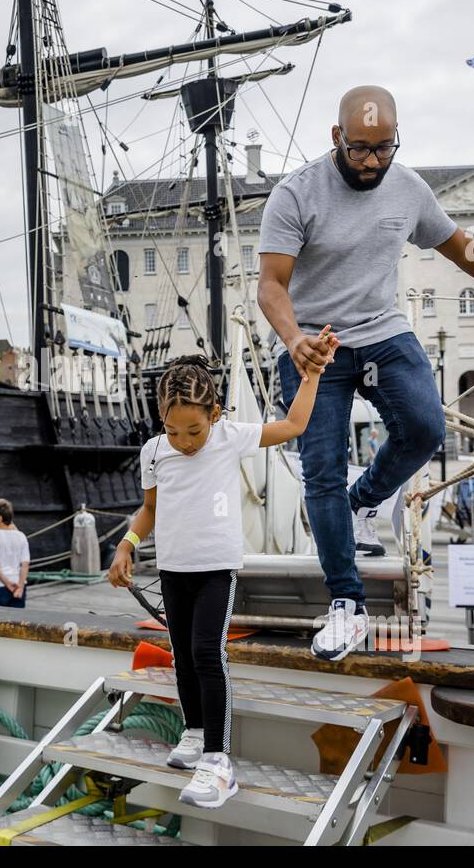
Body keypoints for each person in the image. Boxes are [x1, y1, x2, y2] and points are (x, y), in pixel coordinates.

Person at [256, 84, 474, 660]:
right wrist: (294, 339)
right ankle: (346, 605)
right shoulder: (295, 194)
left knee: (427, 429)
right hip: (313, 343)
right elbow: (271, 284)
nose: (373, 162)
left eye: (384, 149)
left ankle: (366, 502)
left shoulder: (407, 189)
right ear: (337, 138)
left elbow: (466, 252)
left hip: (382, 331)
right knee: (321, 468)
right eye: (360, 150)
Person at [108, 340, 334, 808]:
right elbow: (149, 509)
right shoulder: (155, 451)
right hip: (173, 567)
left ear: (214, 414)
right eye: (173, 432)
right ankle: (193, 732)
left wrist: (311, 375)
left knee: (208, 654)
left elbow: (293, 425)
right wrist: (127, 545)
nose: (184, 443)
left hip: (215, 569)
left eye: (194, 431)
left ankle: (218, 760)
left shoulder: (230, 436)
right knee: (183, 656)